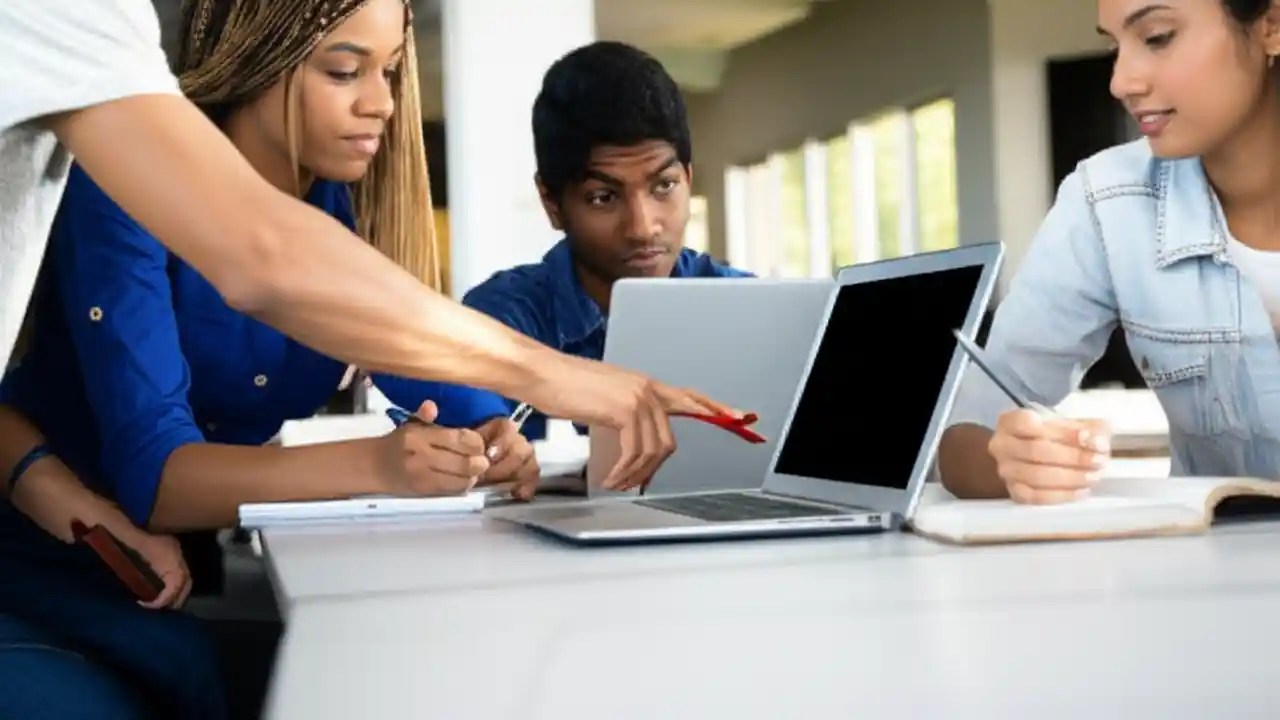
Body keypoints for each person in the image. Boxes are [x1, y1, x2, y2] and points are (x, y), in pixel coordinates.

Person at [1, 1, 736, 526]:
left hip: (178, 573)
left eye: (389, 72)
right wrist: (379, 465)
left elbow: (421, 361)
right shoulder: (126, 186)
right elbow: (157, 479)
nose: (382, 104)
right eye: (345, 71)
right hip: (49, 554)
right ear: (261, 60)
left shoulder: (336, 209)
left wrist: (491, 436)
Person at [937, 0, 1280, 505]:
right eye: (1115, 46)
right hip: (1210, 571)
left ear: (1271, 25)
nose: (1121, 82)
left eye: (1158, 37)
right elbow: (964, 434)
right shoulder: (1108, 200)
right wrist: (1015, 460)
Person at [463, 41, 752, 439]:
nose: (642, 227)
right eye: (604, 197)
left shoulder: (747, 308)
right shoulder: (502, 320)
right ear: (552, 203)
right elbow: (473, 452)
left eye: (664, 186)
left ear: (687, 178)